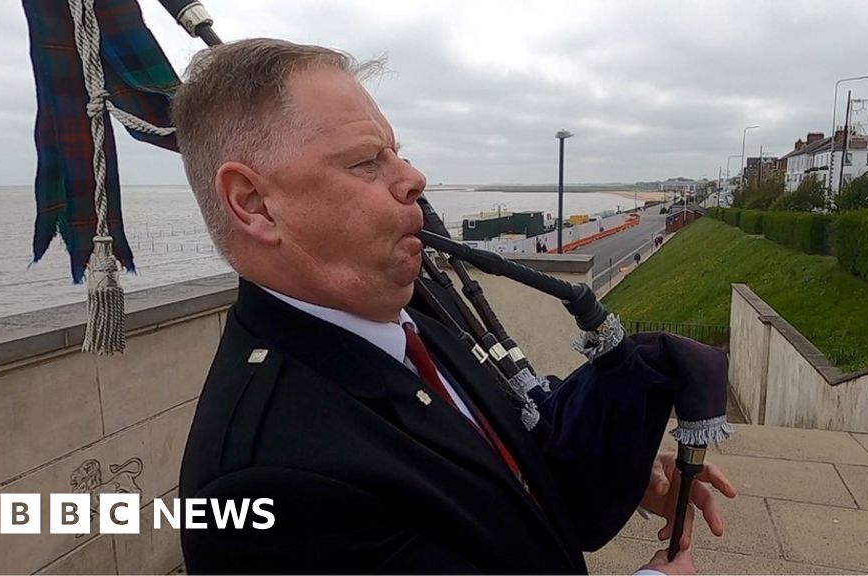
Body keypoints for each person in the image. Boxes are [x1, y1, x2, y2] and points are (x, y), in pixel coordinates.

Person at [174, 38, 734, 574]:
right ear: (254, 204)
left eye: (397, 154)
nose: (414, 178)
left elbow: (490, 465)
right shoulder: (265, 485)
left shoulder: (411, 326)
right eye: (366, 161)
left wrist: (630, 475)